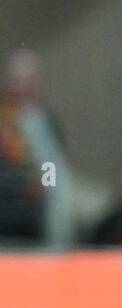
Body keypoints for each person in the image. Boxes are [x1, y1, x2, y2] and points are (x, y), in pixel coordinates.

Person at [0, 49, 73, 245]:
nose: (21, 87)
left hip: (39, 201)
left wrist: (43, 184)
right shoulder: (5, 120)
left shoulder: (45, 120)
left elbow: (54, 165)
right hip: (9, 198)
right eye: (16, 80)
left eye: (28, 80)